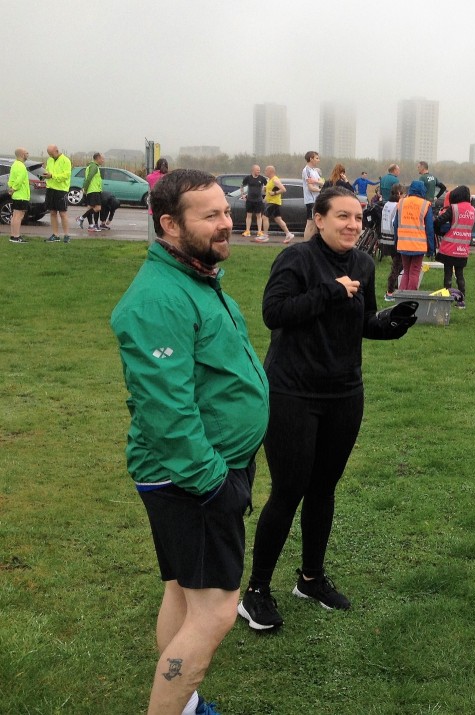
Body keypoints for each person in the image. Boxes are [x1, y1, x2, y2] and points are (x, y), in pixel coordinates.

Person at [110, 169, 270, 715]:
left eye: (226, 211)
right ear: (169, 225)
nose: (226, 223)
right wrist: (212, 484)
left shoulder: (196, 275)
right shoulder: (158, 299)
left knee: (181, 588)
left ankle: (184, 703)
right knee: (217, 611)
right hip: (193, 476)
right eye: (211, 216)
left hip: (208, 469)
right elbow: (167, 412)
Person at [237, 186, 417, 631]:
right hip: (293, 393)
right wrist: (329, 293)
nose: (353, 225)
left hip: (343, 394)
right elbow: (273, 313)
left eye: (358, 218)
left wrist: (390, 326)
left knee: (324, 489)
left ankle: (311, 578)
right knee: (289, 489)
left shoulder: (361, 262)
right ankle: (256, 591)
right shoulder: (296, 259)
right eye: (342, 217)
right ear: (318, 218)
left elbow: (364, 322)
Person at [434, 185, 475, 308]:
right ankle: (461, 301)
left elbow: (439, 220)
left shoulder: (454, 208)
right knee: (460, 274)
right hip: (463, 247)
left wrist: (439, 231)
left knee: (448, 274)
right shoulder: (473, 210)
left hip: (450, 246)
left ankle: (447, 298)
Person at [392, 180, 434, 291]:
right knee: (414, 272)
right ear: (422, 190)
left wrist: (396, 242)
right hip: (418, 245)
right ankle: (411, 298)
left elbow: (395, 224)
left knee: (406, 272)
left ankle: (401, 298)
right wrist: (431, 248)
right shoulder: (425, 205)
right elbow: (429, 229)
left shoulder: (401, 203)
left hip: (403, 243)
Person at [42, 144, 72, 243]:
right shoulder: (50, 160)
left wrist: (52, 176)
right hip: (50, 188)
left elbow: (66, 175)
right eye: (49, 154)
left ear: (56, 150)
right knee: (52, 212)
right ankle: (55, 235)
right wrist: (46, 175)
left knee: (63, 213)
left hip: (61, 190)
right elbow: (48, 172)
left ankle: (67, 235)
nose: (50, 156)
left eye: (51, 154)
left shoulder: (66, 160)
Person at [380, 183, 404, 302]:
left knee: (400, 265)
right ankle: (390, 292)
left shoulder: (387, 204)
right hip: (394, 240)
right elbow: (396, 223)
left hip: (385, 239)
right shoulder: (398, 206)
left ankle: (395, 288)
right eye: (403, 194)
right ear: (399, 193)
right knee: (397, 266)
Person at [263, 166, 295, 243]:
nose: (265, 172)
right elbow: (269, 191)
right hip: (270, 201)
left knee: (264, 217)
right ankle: (288, 234)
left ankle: (265, 236)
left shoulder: (275, 180)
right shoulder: (269, 180)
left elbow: (283, 189)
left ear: (270, 171)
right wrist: (265, 191)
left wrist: (274, 193)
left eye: (266, 170)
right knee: (278, 219)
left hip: (274, 202)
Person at [77, 153, 105, 237]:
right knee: (98, 208)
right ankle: (81, 218)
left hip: (90, 190)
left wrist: (84, 188)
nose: (103, 160)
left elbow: (86, 178)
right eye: (102, 159)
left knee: (90, 208)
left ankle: (91, 226)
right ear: (98, 158)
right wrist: (84, 188)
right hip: (94, 190)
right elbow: (89, 177)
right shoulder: (94, 167)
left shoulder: (89, 166)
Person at [7, 148, 31, 244]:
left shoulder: (14, 165)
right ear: (22, 155)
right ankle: (16, 237)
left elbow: (11, 179)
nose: (28, 154)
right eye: (26, 153)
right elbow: (19, 180)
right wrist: (14, 188)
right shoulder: (21, 166)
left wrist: (11, 188)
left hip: (16, 195)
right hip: (21, 195)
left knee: (15, 215)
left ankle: (13, 235)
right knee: (19, 216)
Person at [240, 165, 268, 241]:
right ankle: (247, 231)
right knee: (249, 215)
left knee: (259, 215)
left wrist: (265, 197)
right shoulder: (248, 178)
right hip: (249, 200)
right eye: (257, 170)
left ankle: (259, 231)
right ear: (253, 170)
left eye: (259, 170)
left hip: (258, 200)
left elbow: (267, 187)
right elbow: (241, 186)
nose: (258, 171)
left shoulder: (262, 178)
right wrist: (242, 195)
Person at [302, 151, 324, 240]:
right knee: (310, 223)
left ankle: (312, 244)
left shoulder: (315, 171)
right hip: (311, 200)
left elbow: (322, 183)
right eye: (317, 158)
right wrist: (320, 189)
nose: (318, 160)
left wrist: (315, 181)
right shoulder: (306, 170)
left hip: (317, 199)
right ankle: (306, 244)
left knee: (316, 224)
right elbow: (310, 188)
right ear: (311, 159)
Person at [146, 158, 170, 243]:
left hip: (154, 206)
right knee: (164, 230)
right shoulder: (168, 177)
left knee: (156, 228)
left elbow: (148, 177)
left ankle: (155, 244)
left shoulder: (150, 177)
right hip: (166, 207)